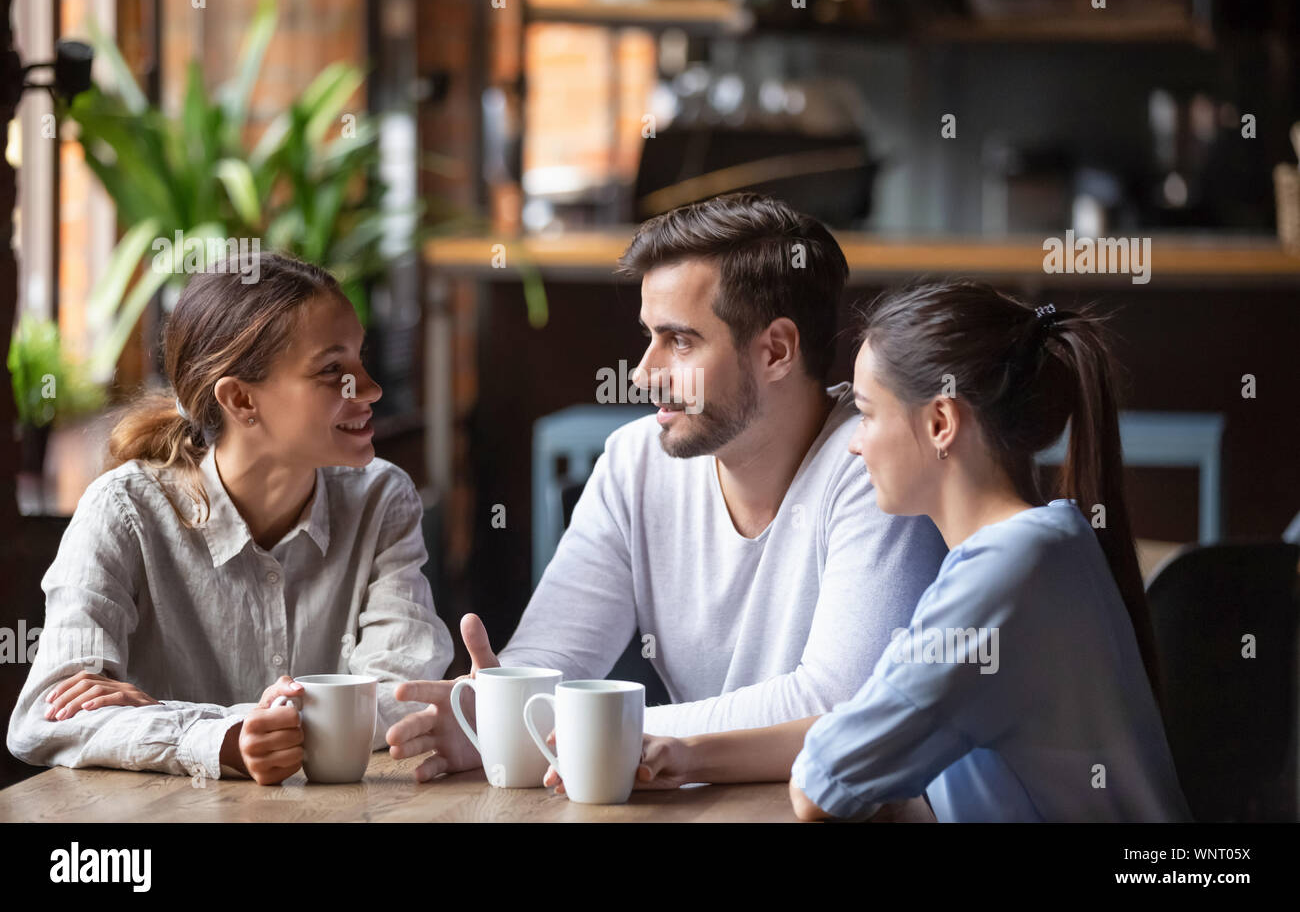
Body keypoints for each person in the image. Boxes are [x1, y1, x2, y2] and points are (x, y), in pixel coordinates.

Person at [387, 193, 949, 782]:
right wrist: (501, 709)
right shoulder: (634, 461)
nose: (643, 372)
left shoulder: (874, 466)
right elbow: (555, 656)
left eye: (679, 341)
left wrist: (606, 728)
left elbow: (839, 705)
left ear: (776, 351)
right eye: (649, 336)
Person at [589, 281, 1191, 822]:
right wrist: (690, 754)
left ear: (940, 423)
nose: (855, 445)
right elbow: (862, 727)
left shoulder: (997, 580)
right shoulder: (1045, 545)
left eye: (867, 415)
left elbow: (823, 784)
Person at [6, 253, 454, 785]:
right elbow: (42, 720)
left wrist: (187, 722)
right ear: (241, 399)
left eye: (360, 360)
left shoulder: (382, 498)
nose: (370, 388)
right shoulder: (122, 511)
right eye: (333, 370)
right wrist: (226, 737)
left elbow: (405, 692)